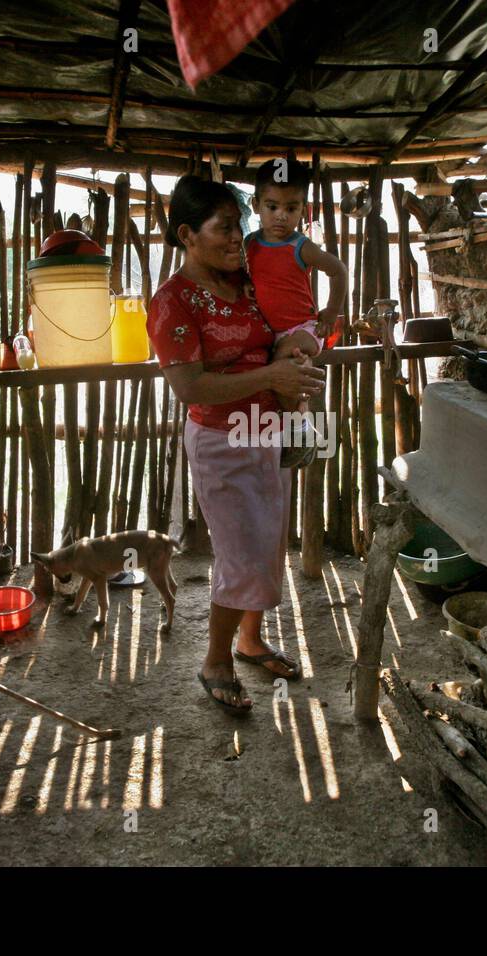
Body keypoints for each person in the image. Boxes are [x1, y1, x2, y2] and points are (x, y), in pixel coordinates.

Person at [146, 175, 326, 714]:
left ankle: (250, 640)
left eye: (239, 226)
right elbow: (191, 387)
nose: (236, 238)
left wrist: (299, 348)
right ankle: (216, 660)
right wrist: (273, 376)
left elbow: (293, 324)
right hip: (220, 440)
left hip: (266, 432)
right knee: (240, 551)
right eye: (224, 228)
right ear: (186, 234)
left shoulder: (249, 284)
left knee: (268, 543)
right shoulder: (173, 302)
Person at [246, 157, 348, 467]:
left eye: (291, 208)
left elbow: (339, 270)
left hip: (304, 329)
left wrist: (332, 311)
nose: (281, 216)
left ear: (303, 210)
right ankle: (298, 429)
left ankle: (301, 429)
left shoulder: (300, 246)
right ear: (255, 204)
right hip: (272, 334)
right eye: (272, 206)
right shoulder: (250, 245)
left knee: (283, 363)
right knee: (284, 378)